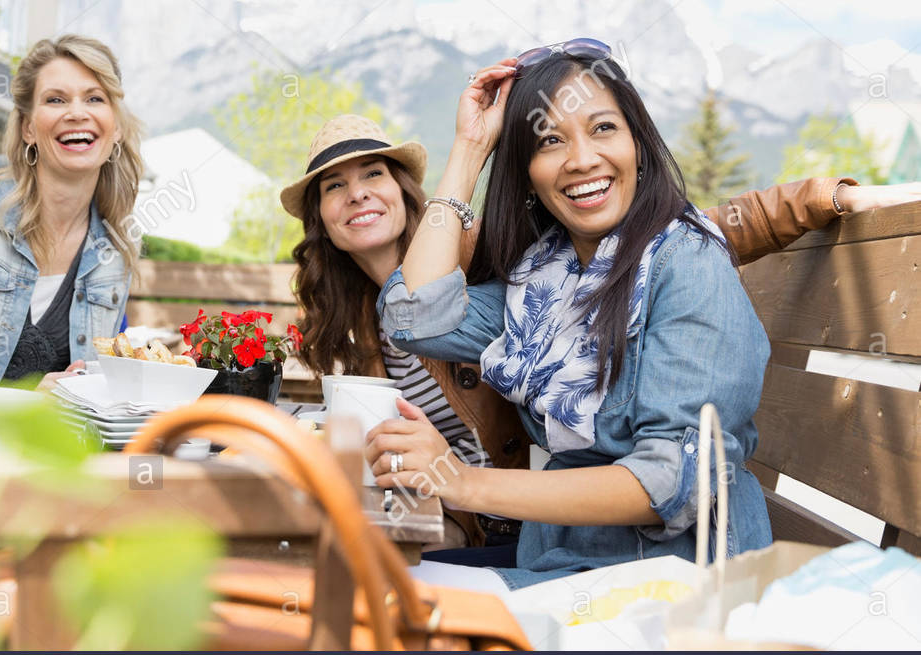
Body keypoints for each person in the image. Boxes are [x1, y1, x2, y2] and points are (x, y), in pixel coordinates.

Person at [368, 40, 915, 588]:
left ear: (638, 143)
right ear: (527, 173)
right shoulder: (543, 281)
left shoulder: (686, 260)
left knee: (381, 616)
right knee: (363, 590)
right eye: (550, 140)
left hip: (673, 585)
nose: (581, 158)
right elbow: (415, 317)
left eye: (603, 128)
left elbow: (672, 480)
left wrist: (461, 482)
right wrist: (469, 148)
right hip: (563, 567)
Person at [0, 35, 142, 390]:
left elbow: (100, 390)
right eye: (56, 99)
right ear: (28, 127)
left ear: (116, 127)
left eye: (95, 98)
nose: (77, 112)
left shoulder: (115, 253)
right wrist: (22, 401)